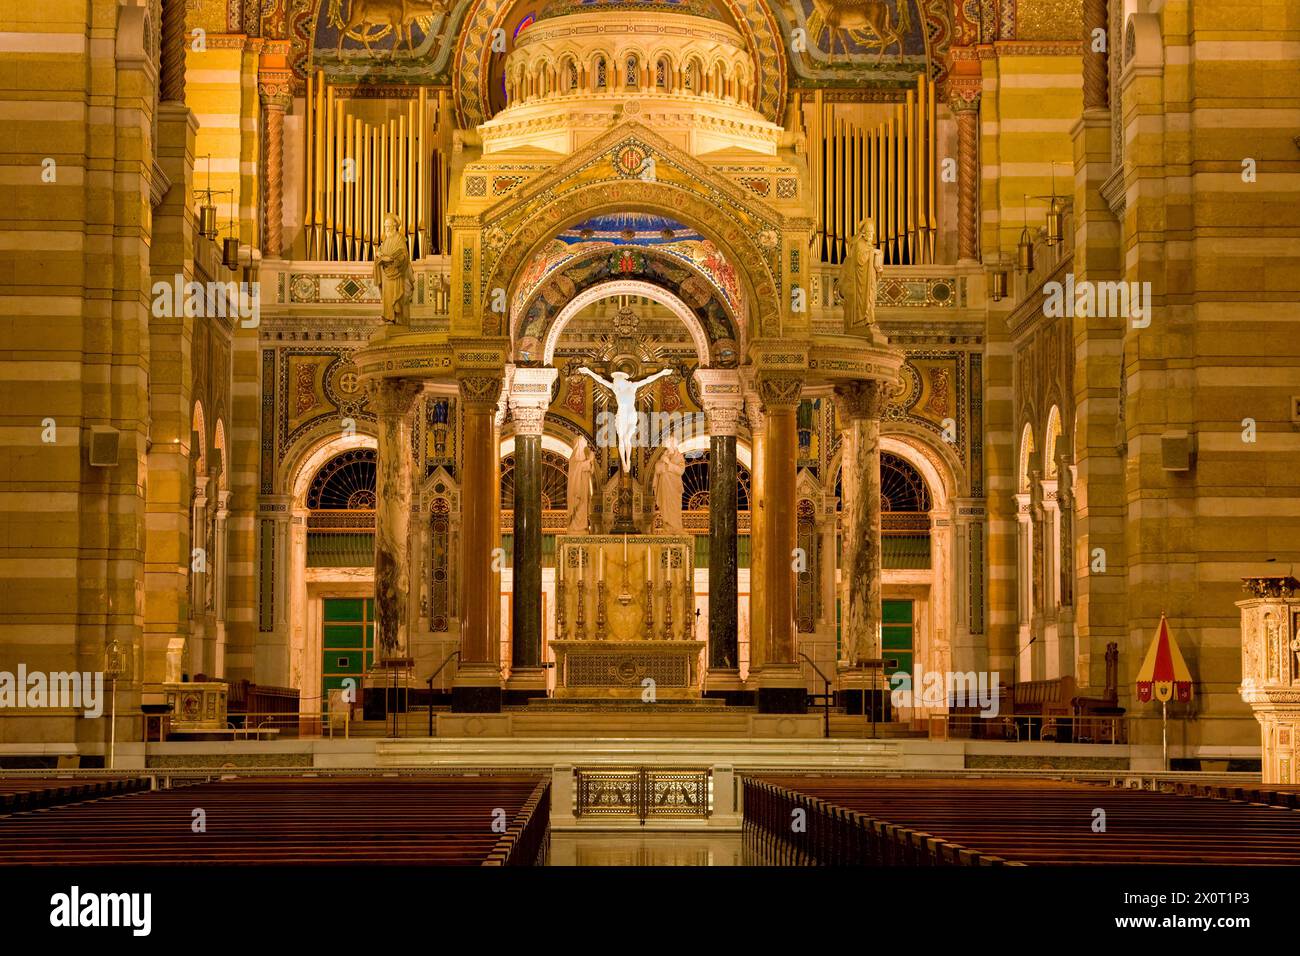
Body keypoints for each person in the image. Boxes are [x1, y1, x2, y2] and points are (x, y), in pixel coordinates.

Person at [578, 366, 673, 472]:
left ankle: (628, 459)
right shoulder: (616, 389)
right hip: (621, 416)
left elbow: (648, 380)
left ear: (622, 379)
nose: (615, 382)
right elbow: (601, 380)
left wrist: (662, 373)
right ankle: (624, 461)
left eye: (616, 380)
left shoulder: (632, 386)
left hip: (631, 415)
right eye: (614, 381)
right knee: (622, 439)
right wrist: (588, 371)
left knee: (627, 438)